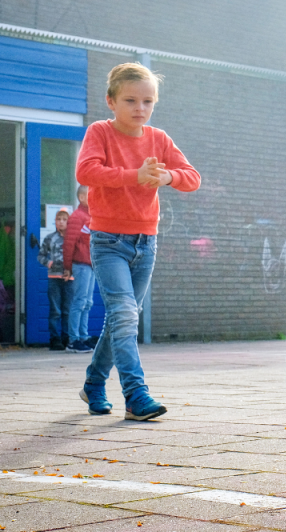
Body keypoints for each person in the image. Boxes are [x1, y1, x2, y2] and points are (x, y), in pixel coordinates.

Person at [76, 62, 201, 420]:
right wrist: (136, 175)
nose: (140, 109)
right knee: (125, 315)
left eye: (148, 102)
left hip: (146, 242)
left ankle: (93, 385)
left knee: (120, 318)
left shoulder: (159, 139)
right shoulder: (100, 131)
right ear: (111, 101)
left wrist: (168, 177)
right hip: (107, 241)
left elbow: (192, 178)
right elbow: (85, 171)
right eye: (131, 100)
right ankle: (135, 395)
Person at [64, 185, 95, 353]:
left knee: (88, 302)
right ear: (82, 198)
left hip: (90, 265)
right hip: (81, 265)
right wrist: (67, 267)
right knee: (79, 301)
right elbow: (69, 244)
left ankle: (83, 336)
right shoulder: (77, 217)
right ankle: (73, 340)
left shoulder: (90, 216)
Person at [38, 208, 72, 351]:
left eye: (64, 219)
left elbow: (79, 257)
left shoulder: (72, 238)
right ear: (55, 222)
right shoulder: (49, 238)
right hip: (53, 278)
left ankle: (67, 338)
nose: (61, 222)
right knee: (55, 310)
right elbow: (40, 256)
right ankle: (54, 339)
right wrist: (49, 263)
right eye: (59, 219)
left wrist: (71, 270)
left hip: (70, 278)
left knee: (67, 310)